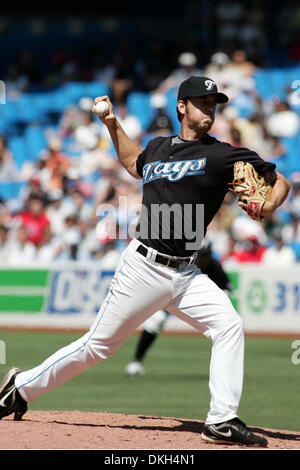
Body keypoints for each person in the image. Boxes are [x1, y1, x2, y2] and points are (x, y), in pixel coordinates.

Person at [0, 76, 290, 447]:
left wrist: (272, 198)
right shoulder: (157, 147)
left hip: (186, 273)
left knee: (228, 325)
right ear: (182, 107)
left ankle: (221, 419)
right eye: (202, 101)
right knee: (98, 347)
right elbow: (132, 163)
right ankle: (20, 388)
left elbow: (275, 183)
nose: (209, 109)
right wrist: (111, 122)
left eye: (214, 103)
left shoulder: (224, 155)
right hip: (143, 267)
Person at [125, 241, 232, 378]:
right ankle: (136, 361)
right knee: (156, 320)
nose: (204, 259)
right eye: (202, 255)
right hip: (172, 295)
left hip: (194, 300)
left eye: (206, 255)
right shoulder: (184, 262)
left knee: (228, 326)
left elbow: (226, 288)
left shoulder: (214, 266)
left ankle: (230, 369)